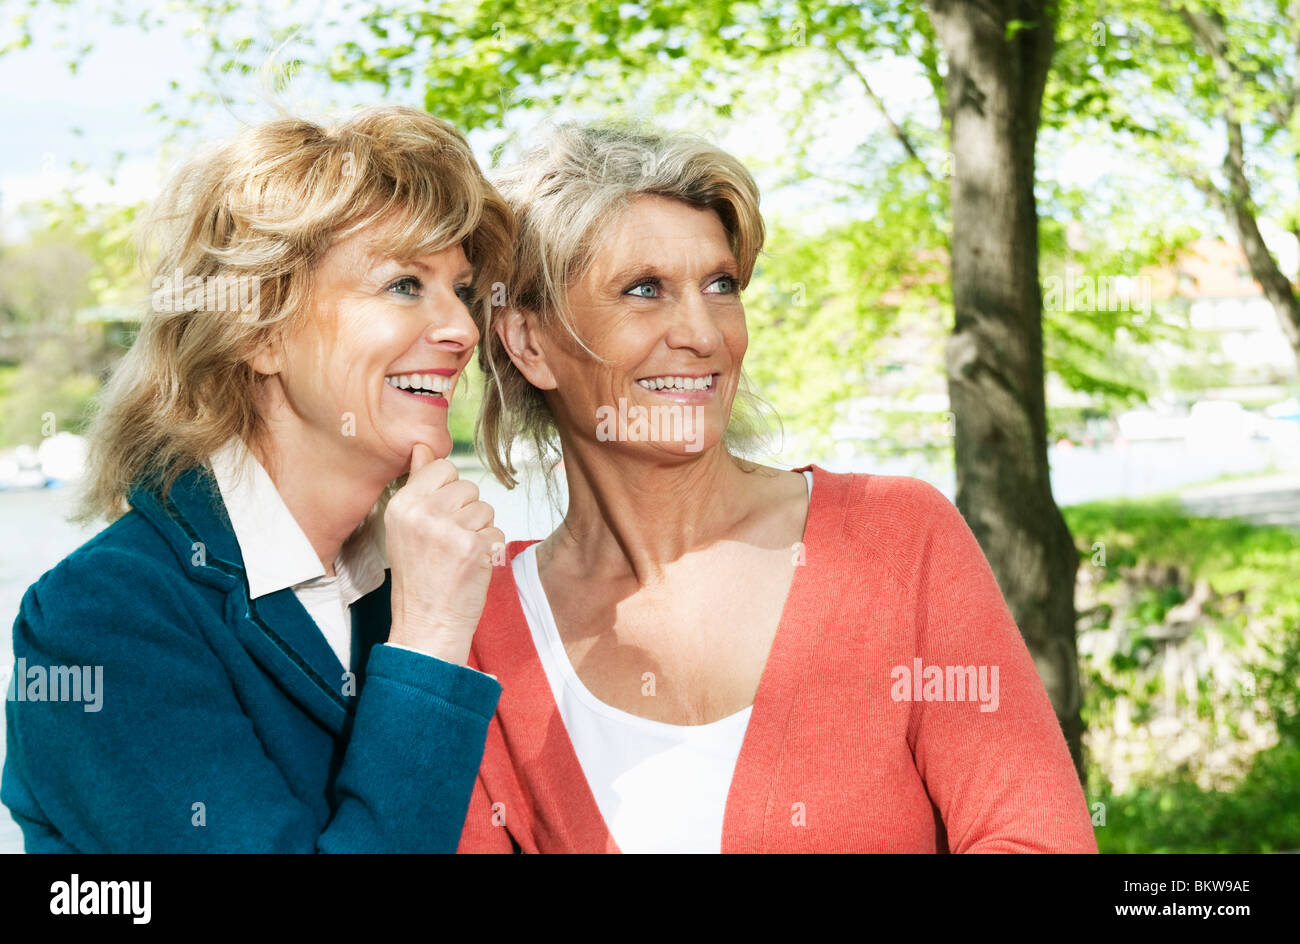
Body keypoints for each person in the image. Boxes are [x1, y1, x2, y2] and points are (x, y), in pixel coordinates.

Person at [455, 123, 1099, 853]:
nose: (703, 332)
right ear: (528, 342)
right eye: (645, 290)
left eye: (720, 285)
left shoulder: (894, 537)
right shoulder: (479, 624)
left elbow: (1037, 840)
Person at [2, 106, 512, 852]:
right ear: (258, 331)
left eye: (460, 290)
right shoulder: (98, 619)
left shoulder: (414, 574)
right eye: (406, 284)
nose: (462, 330)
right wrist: (432, 637)